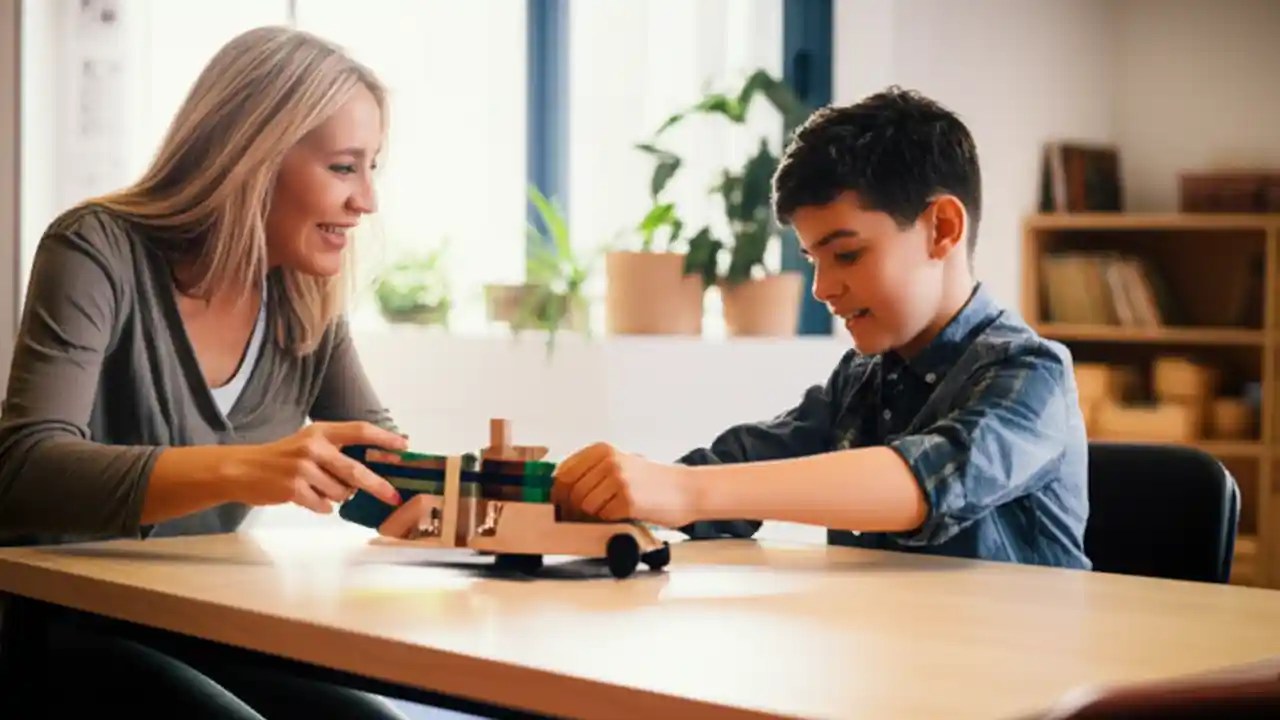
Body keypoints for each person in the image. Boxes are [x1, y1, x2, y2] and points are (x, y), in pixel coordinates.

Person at [0, 25, 427, 719]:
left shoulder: (302, 296)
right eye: (345, 167)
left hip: (197, 623)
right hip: (54, 629)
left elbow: (381, 463)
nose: (367, 201)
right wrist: (249, 467)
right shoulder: (95, 249)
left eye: (373, 166)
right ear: (254, 157)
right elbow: (22, 470)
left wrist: (521, 501)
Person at [547, 87, 1092, 570]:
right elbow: (742, 464)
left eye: (847, 255)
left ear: (942, 228)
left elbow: (927, 481)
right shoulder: (862, 378)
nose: (822, 288)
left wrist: (686, 490)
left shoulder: (1032, 373)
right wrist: (621, 490)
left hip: (1021, 672)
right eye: (813, 260)